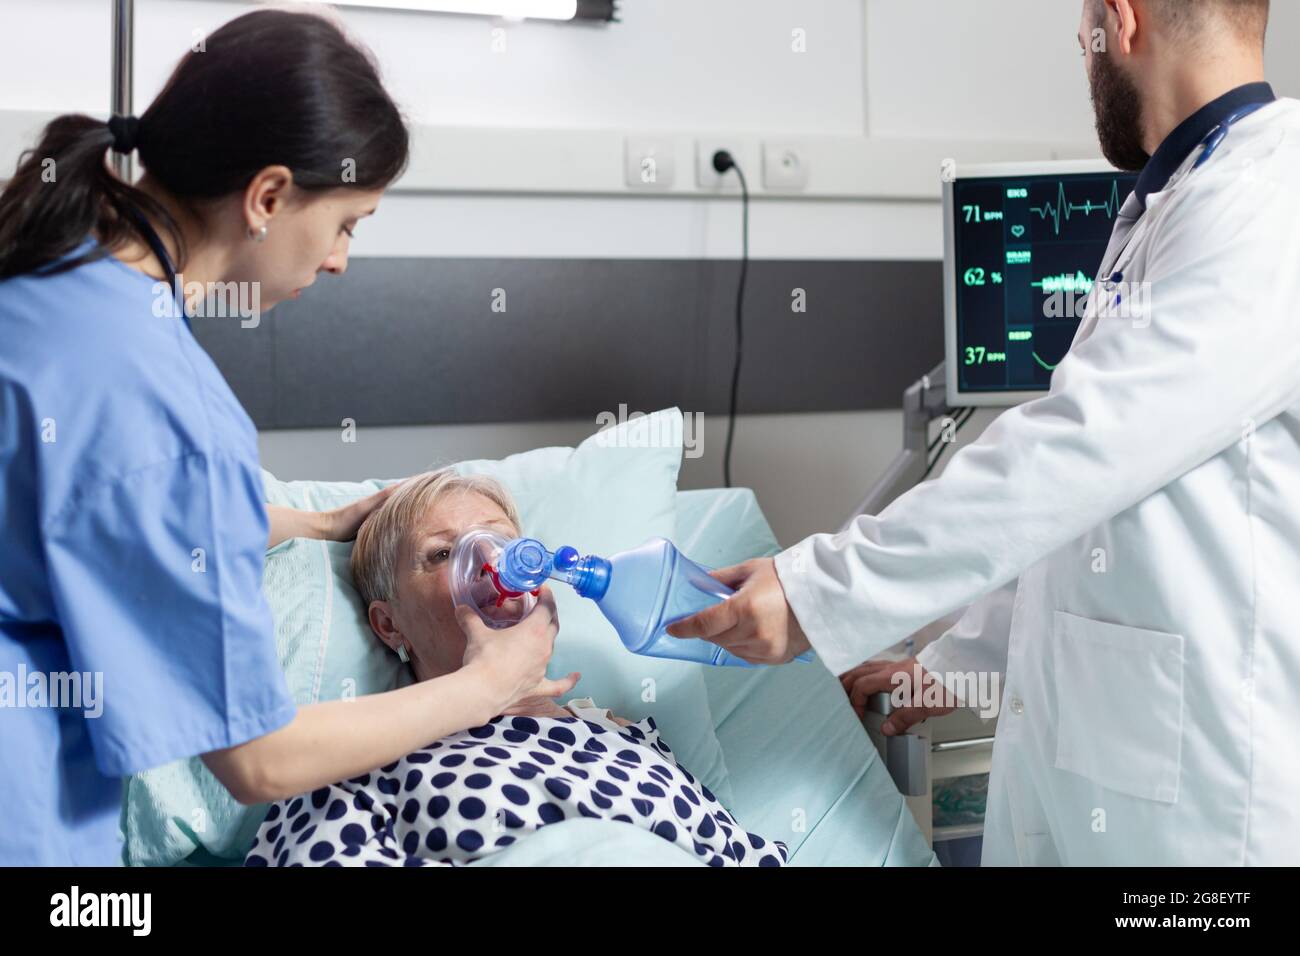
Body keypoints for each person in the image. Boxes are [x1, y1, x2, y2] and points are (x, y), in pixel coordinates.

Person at [669, 0, 1300, 865]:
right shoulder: (1176, 202)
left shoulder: (1269, 201)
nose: (1082, 56)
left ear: (1119, 22)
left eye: (1082, 32)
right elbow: (1086, 518)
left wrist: (818, 590)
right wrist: (951, 661)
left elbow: (1077, 449)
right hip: (1107, 766)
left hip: (1206, 807)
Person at [0, 9, 572, 866]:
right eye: (347, 223)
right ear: (268, 197)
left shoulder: (41, 274)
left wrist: (306, 523)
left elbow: (84, 512)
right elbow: (260, 759)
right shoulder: (169, 407)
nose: (341, 259)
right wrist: (490, 684)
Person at [240, 469, 785, 867]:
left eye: (503, 540)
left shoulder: (625, 736)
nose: (490, 561)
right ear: (389, 626)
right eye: (440, 554)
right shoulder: (357, 757)